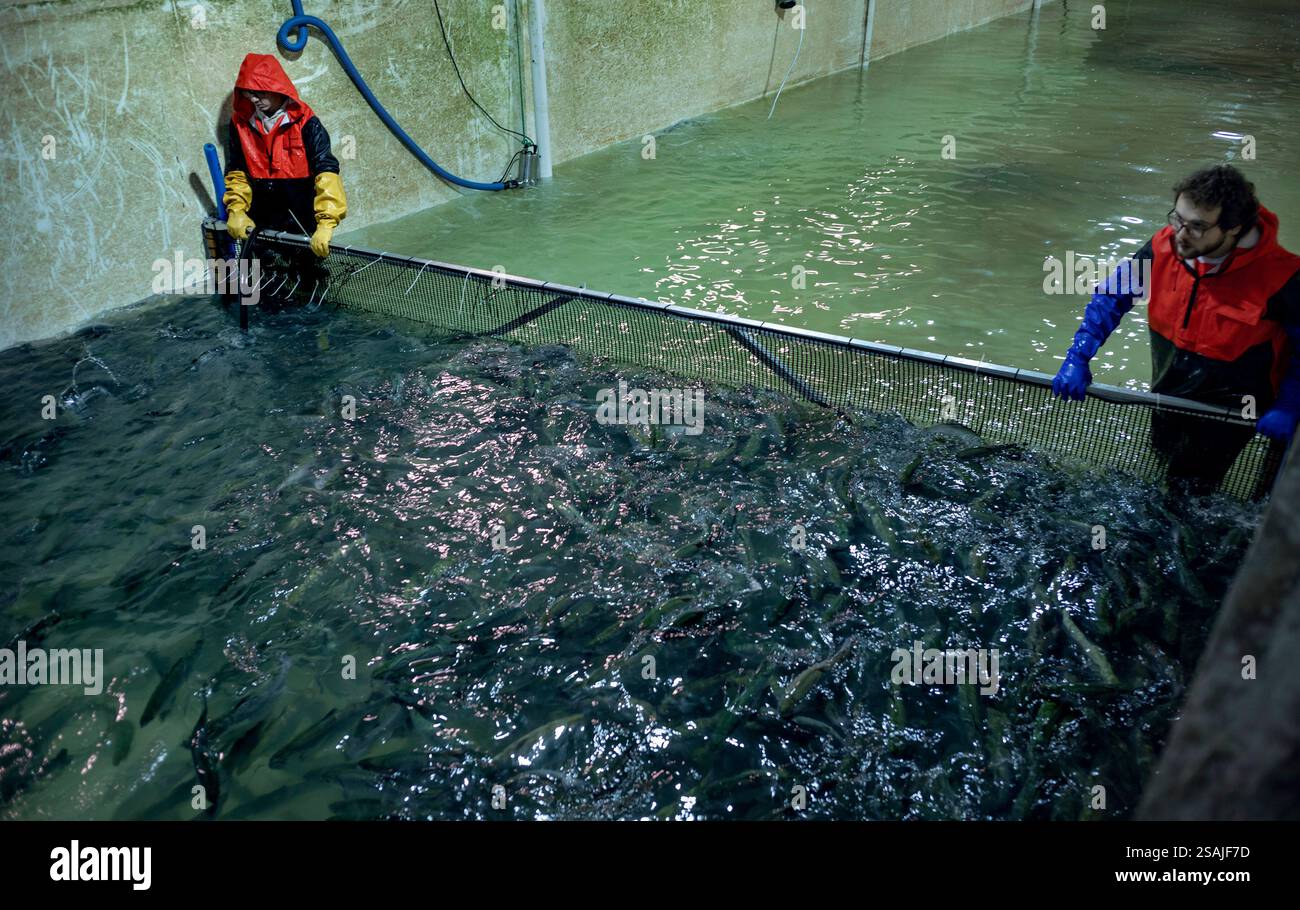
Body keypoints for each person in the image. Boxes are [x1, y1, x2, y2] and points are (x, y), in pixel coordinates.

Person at [1051, 165, 1300, 492]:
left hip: (1232, 407)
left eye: (1197, 226)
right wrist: (1078, 356)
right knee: (1162, 453)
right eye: (1178, 218)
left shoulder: (1283, 276)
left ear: (1234, 228)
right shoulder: (1163, 245)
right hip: (1169, 387)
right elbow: (1113, 295)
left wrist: (1289, 403)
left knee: (1186, 488)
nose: (1180, 233)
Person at [222, 52, 347, 261]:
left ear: (276, 88)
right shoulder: (241, 123)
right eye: (248, 93)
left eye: (259, 92)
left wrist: (326, 223)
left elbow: (326, 171)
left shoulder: (307, 122)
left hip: (302, 222)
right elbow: (237, 170)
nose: (254, 99)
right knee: (267, 279)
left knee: (309, 276)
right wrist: (236, 210)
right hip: (261, 224)